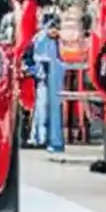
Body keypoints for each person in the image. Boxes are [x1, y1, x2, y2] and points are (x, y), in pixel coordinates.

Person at [29, 15, 65, 152]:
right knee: (42, 109)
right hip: (44, 78)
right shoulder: (41, 39)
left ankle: (47, 139)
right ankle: (40, 138)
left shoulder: (56, 40)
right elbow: (33, 58)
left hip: (51, 79)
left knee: (47, 109)